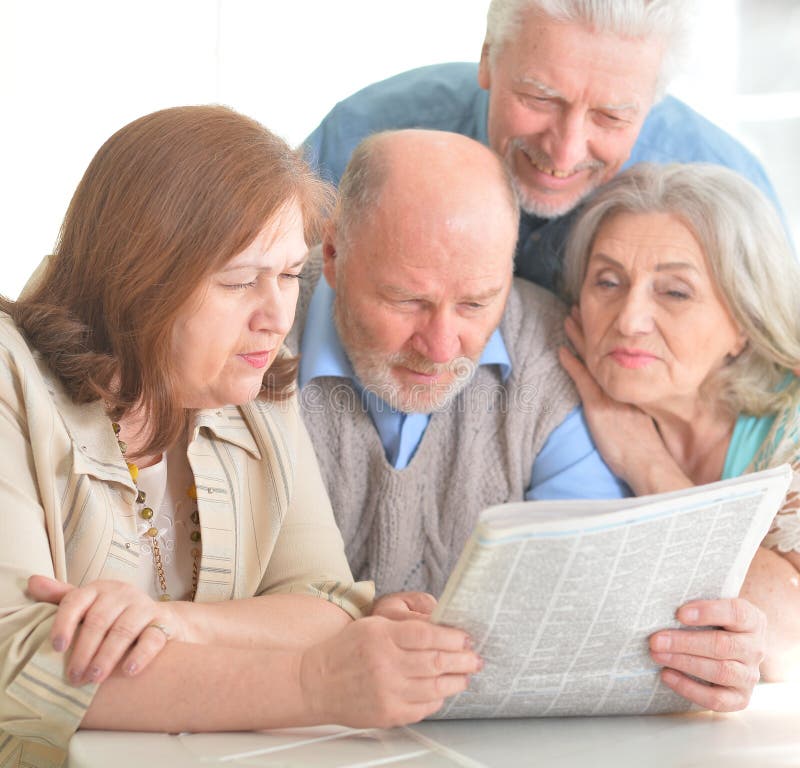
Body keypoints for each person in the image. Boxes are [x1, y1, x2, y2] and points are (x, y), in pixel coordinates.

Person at [0, 106, 482, 767]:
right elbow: (18, 663)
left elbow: (328, 606)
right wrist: (311, 681)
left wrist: (173, 624)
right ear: (140, 278)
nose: (277, 316)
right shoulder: (9, 379)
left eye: (288, 276)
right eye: (237, 281)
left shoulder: (258, 381)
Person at [286, 127, 629, 603]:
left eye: (475, 304)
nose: (442, 349)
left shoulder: (553, 352)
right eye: (407, 301)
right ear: (332, 255)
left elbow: (584, 588)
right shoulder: (252, 335)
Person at [303, 0, 784, 294]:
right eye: (539, 98)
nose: (565, 152)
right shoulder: (359, 137)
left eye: (611, 116)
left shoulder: (730, 191)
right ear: (488, 55)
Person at [558, 161, 800, 711]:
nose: (629, 320)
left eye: (675, 292)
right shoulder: (557, 393)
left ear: (744, 321)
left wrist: (648, 466)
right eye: (608, 282)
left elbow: (788, 638)